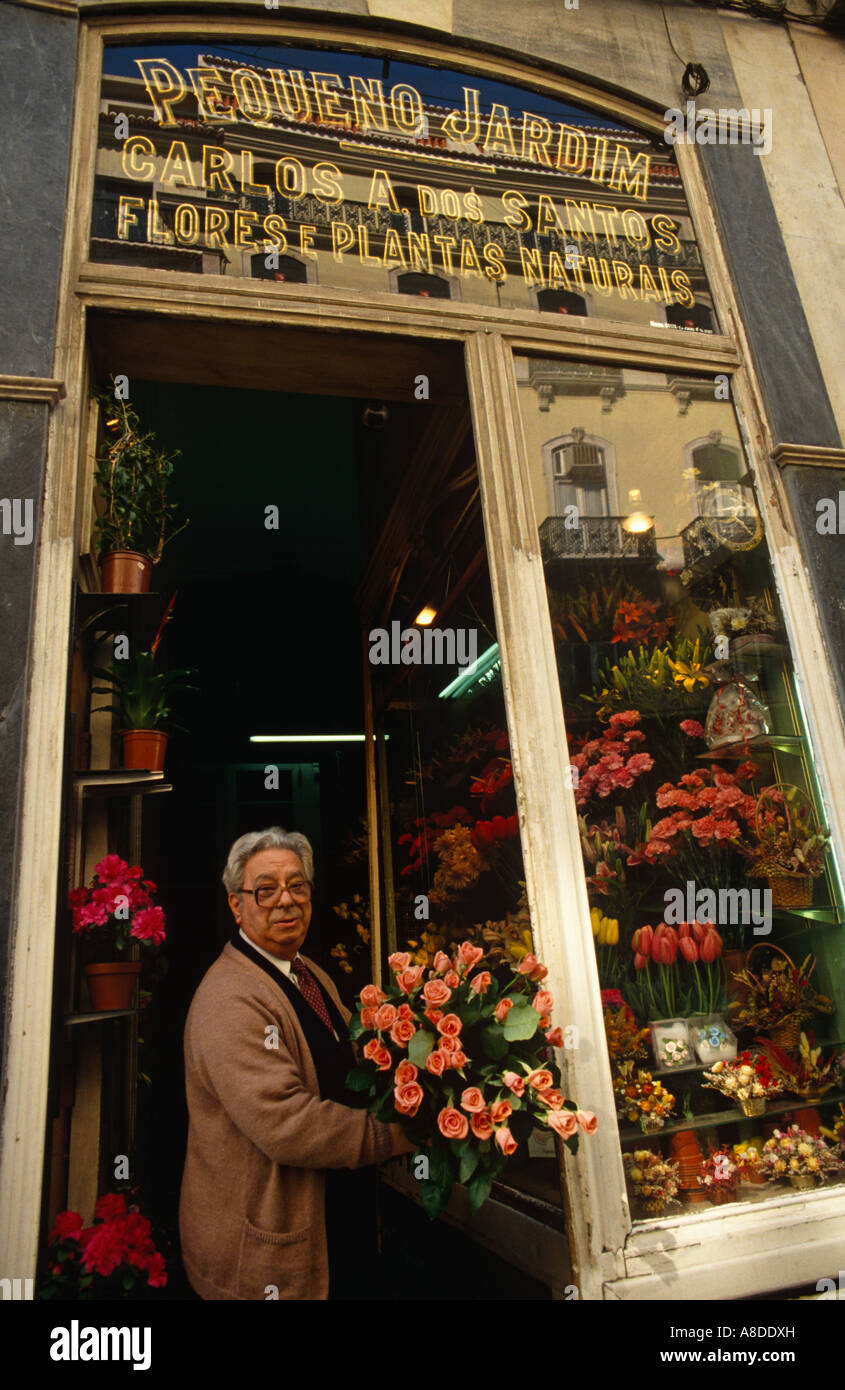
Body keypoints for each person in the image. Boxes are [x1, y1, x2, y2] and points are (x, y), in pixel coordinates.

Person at [179, 826, 413, 1300]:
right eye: (265, 890)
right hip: (263, 1257)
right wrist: (399, 1134)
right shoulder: (231, 998)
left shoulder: (306, 972)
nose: (285, 900)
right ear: (236, 905)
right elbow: (287, 1124)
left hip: (331, 1228)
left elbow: (359, 1057)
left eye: (298, 885)